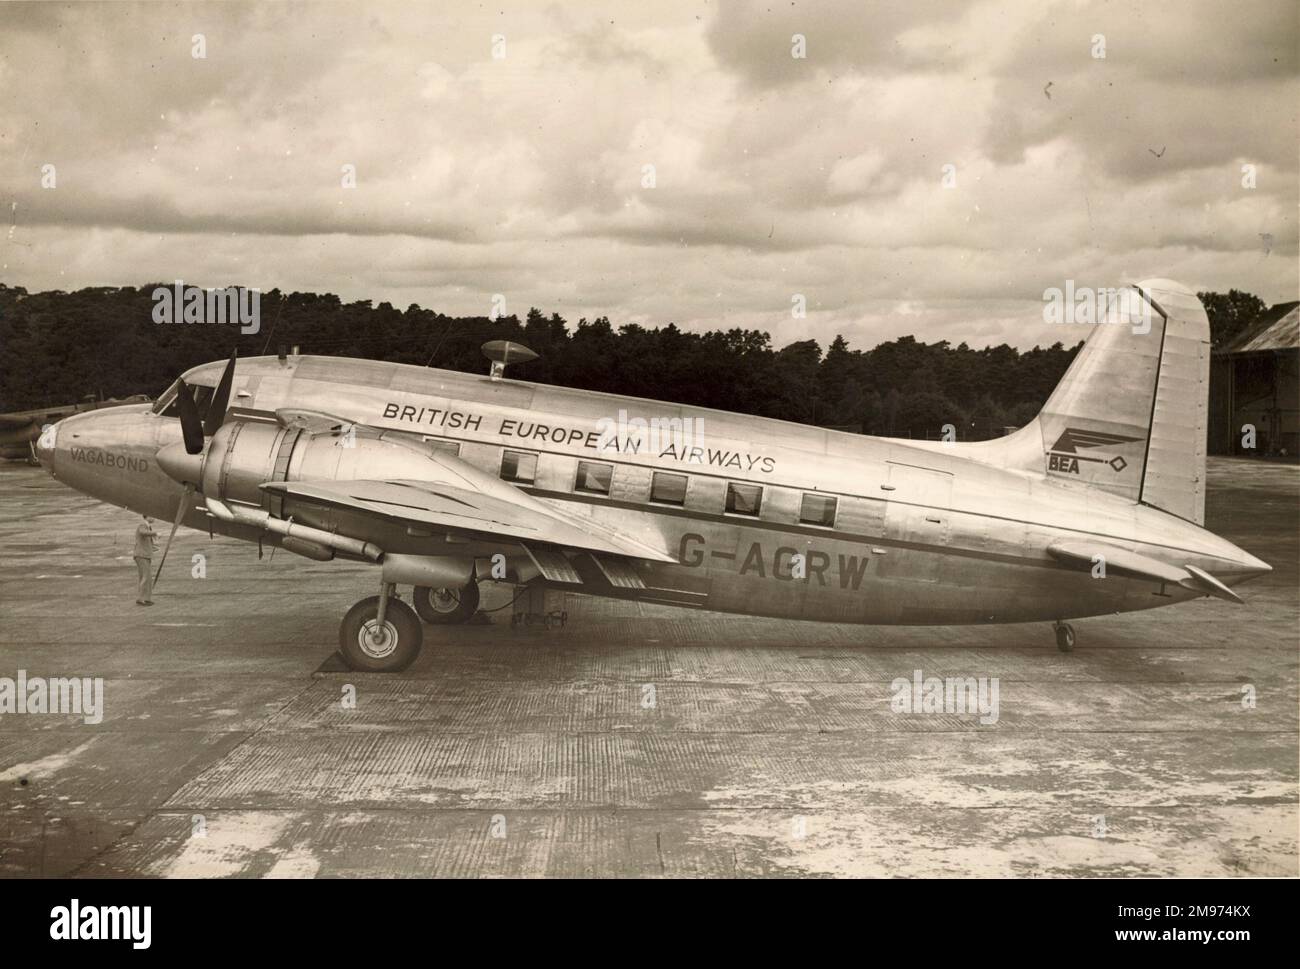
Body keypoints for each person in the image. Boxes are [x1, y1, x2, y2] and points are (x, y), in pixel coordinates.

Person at [133, 516, 157, 606]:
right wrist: (155, 533)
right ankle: (141, 599)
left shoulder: (147, 526)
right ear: (148, 516)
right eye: (153, 516)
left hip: (145, 555)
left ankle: (146, 598)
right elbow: (143, 532)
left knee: (147, 577)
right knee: (145, 577)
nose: (155, 518)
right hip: (141, 555)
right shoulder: (142, 525)